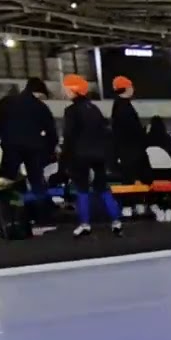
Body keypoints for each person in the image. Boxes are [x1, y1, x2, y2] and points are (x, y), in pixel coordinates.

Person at [61, 74, 122, 237]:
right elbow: (106, 132)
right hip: (99, 155)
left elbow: (69, 136)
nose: (65, 92)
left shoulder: (71, 111)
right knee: (103, 189)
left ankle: (85, 224)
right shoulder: (94, 109)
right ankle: (116, 221)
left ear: (74, 90)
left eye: (67, 89)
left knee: (82, 190)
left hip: (79, 156)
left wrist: (64, 159)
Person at [0, 77, 58, 230]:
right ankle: (43, 220)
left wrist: (6, 140)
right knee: (37, 184)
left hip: (11, 147)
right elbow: (52, 133)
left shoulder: (6, 102)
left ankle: (3, 221)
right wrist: (48, 151)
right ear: (39, 93)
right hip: (34, 149)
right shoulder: (40, 107)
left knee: (6, 182)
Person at [111, 76, 151, 184]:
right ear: (127, 88)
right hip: (132, 156)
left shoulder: (118, 106)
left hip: (128, 154)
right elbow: (131, 131)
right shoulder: (124, 108)